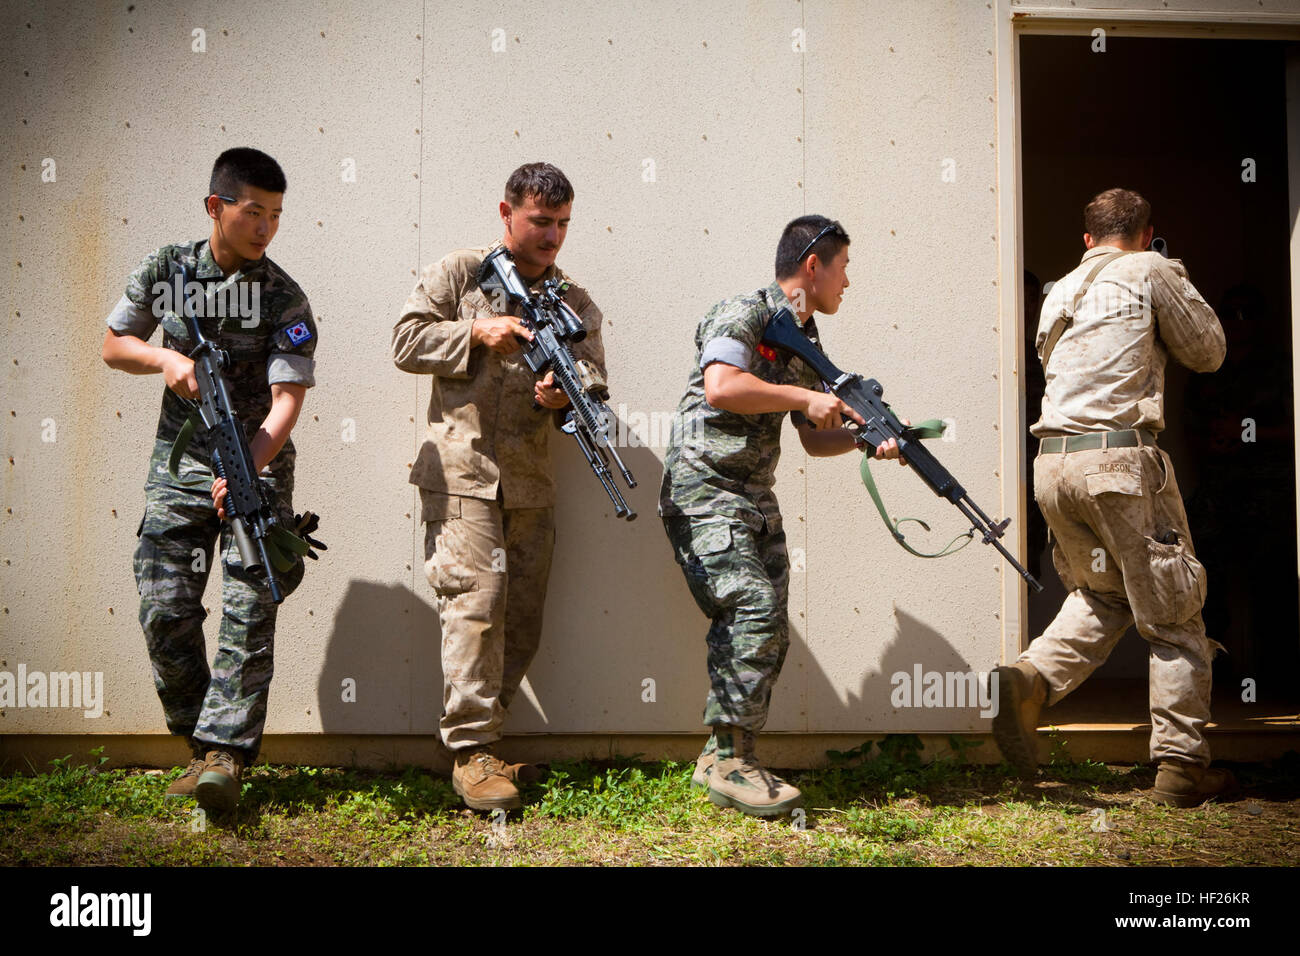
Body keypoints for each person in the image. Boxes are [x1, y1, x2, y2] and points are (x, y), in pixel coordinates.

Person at [994, 187, 1235, 807]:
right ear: (1147, 231)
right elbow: (1208, 353)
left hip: (1054, 467)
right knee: (1175, 615)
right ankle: (1181, 769)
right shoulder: (1150, 269)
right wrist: (1170, 270)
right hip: (1120, 464)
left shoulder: (1059, 291)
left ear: (1087, 239)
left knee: (1103, 591)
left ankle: (1032, 677)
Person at [659, 216, 901, 817]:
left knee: (768, 627)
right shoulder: (742, 312)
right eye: (843, 267)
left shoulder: (806, 345)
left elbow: (813, 440)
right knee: (752, 609)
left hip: (753, 498)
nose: (848, 282)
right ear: (812, 265)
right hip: (703, 488)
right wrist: (807, 397)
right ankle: (732, 762)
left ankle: (724, 755)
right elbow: (721, 386)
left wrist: (864, 436)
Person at [101, 147, 317, 813]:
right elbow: (114, 344)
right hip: (179, 464)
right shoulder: (169, 270)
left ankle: (226, 755)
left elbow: (286, 404)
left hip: (256, 462)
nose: (265, 228)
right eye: (254, 212)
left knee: (250, 605)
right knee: (163, 607)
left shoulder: (284, 297)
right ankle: (200, 745)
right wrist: (164, 357)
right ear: (215, 207)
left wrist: (246, 467)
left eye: (276, 215)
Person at [392, 162, 605, 812]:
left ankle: (481, 744)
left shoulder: (572, 300)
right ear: (507, 212)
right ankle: (471, 751)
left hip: (530, 486)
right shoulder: (460, 274)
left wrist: (562, 396)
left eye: (563, 224)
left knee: (522, 620)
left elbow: (594, 379)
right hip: (462, 479)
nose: (553, 237)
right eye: (542, 221)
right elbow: (404, 341)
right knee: (475, 609)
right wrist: (475, 332)